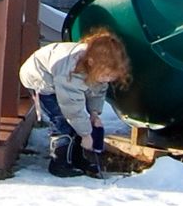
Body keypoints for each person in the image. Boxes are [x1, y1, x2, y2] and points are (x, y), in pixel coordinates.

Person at [19, 27, 129, 177]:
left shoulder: (97, 67)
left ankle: (77, 159)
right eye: (106, 75)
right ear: (91, 63)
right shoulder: (71, 72)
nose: (108, 80)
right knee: (62, 120)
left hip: (61, 80)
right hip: (40, 78)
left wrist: (94, 114)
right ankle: (59, 163)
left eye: (112, 77)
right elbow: (72, 110)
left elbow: (98, 90)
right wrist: (86, 135)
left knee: (78, 119)